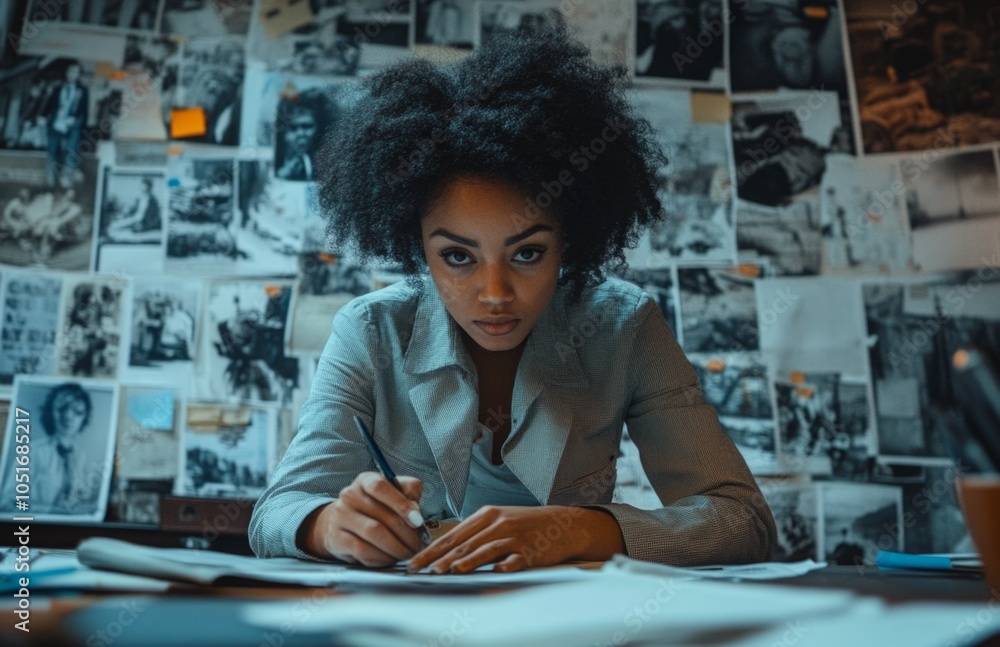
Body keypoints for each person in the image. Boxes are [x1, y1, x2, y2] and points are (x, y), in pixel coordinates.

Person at [249, 26, 776, 571]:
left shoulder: (625, 327)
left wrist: (579, 529)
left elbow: (744, 521)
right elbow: (275, 514)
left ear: (571, 238)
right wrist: (328, 526)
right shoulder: (370, 331)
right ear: (416, 246)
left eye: (527, 254)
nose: (495, 294)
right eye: (457, 257)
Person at [22, 383, 94, 513]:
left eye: (77, 411)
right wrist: (53, 510)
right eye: (61, 408)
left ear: (84, 417)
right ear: (50, 412)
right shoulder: (32, 452)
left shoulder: (82, 457)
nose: (68, 416)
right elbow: (6, 503)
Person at [42, 62, 88, 188]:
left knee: (72, 150)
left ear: (79, 75)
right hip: (56, 123)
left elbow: (84, 111)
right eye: (70, 71)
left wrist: (77, 121)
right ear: (66, 73)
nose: (72, 74)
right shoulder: (57, 88)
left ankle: (67, 177)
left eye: (76, 72)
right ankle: (51, 178)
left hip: (72, 124)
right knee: (53, 151)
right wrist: (43, 116)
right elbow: (50, 105)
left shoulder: (82, 90)